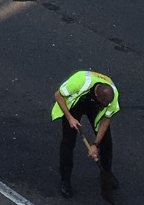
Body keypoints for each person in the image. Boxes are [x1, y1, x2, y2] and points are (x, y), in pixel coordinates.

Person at [51, 70, 119, 198]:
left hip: (93, 108)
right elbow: (58, 95)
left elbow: (106, 120)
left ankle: (106, 174)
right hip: (75, 106)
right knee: (68, 142)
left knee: (106, 142)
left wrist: (95, 144)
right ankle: (65, 180)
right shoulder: (80, 81)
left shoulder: (113, 96)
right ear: (96, 96)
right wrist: (70, 118)